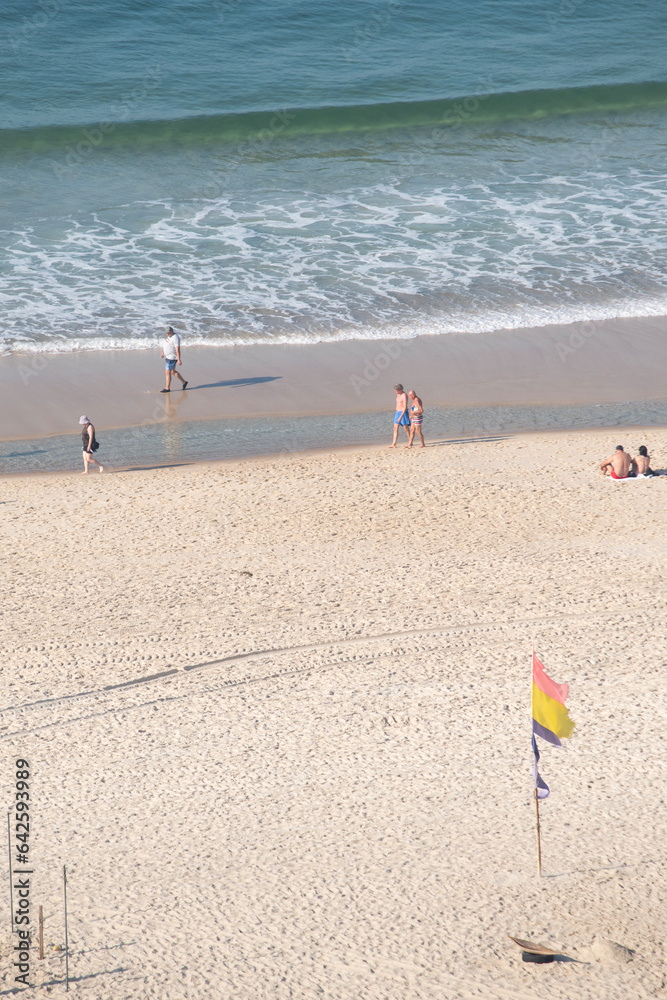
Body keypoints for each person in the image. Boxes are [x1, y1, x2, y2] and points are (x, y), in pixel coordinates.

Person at [161, 326, 188, 393]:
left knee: (167, 372)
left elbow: (177, 349)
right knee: (172, 371)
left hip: (172, 358)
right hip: (168, 357)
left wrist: (179, 359)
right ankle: (184, 382)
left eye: (168, 333)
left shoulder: (175, 338)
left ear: (172, 331)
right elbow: (166, 344)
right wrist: (163, 352)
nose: (167, 334)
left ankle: (167, 388)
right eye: (166, 333)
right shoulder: (169, 336)